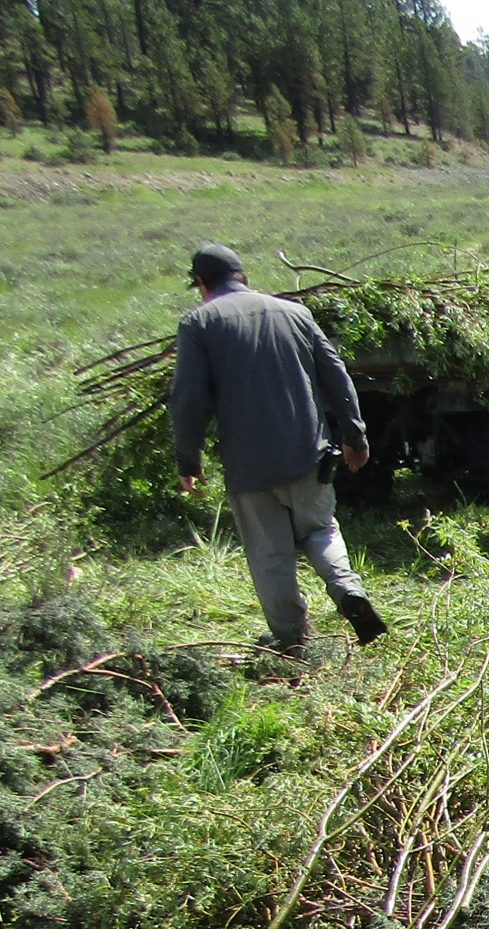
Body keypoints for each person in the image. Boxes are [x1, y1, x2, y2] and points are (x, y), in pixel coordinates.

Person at [168, 243, 385, 657]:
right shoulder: (296, 313)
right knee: (321, 529)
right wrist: (355, 437)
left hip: (248, 466)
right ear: (243, 275)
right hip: (309, 453)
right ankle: (347, 590)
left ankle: (291, 640)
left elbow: (189, 401)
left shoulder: (198, 324)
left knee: (269, 553)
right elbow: (336, 376)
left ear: (200, 283)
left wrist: (188, 460)